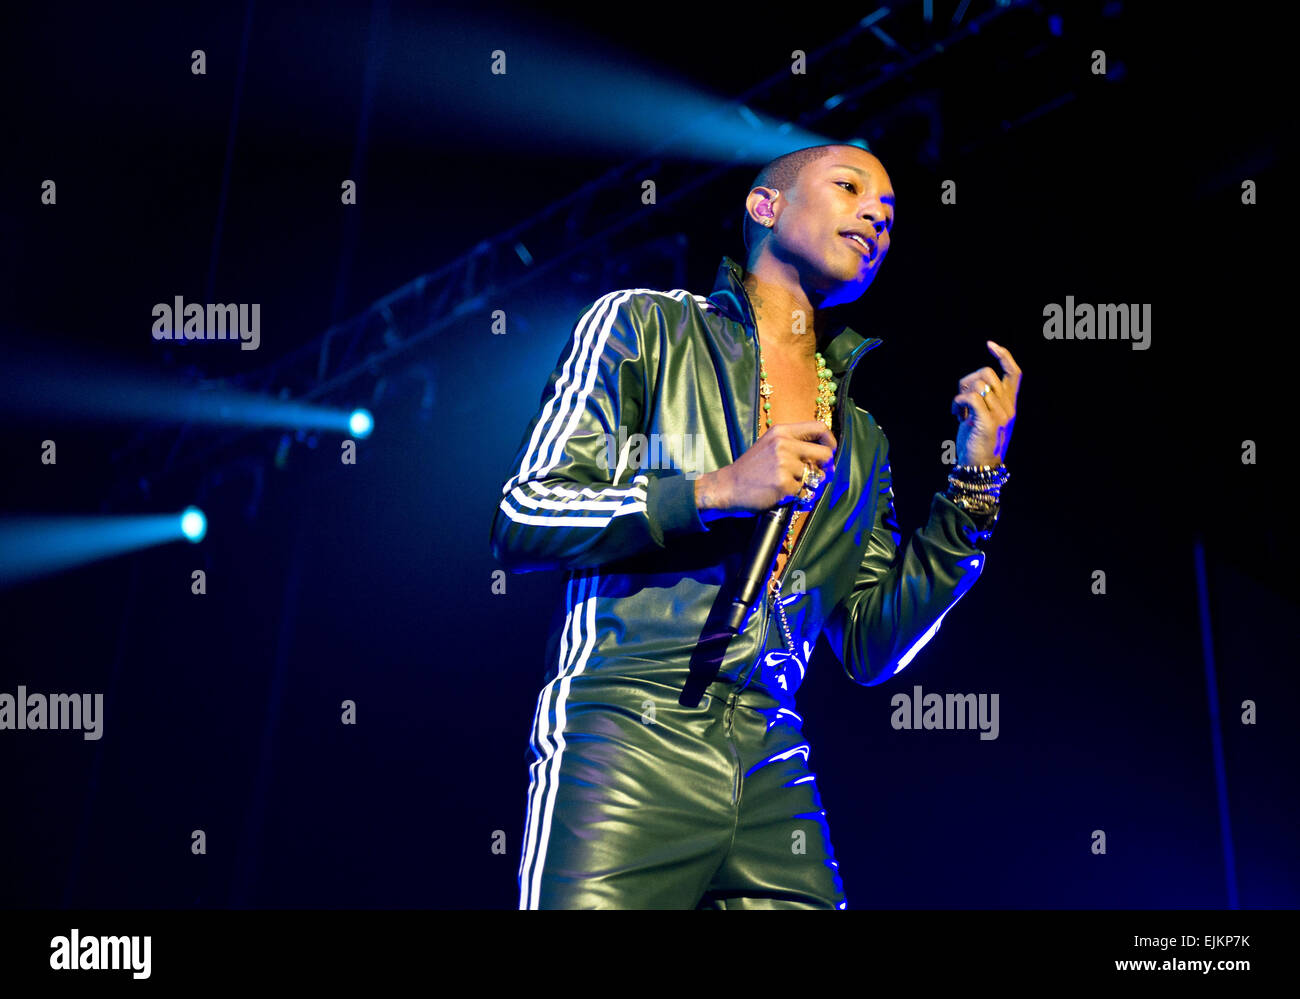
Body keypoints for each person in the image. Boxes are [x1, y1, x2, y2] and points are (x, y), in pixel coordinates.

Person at [490, 143, 1021, 909]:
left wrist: (975, 483)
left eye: (890, 213)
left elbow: (871, 641)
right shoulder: (644, 325)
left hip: (774, 754)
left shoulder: (862, 438)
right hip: (630, 724)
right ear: (765, 206)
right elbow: (525, 511)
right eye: (849, 187)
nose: (877, 216)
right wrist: (713, 490)